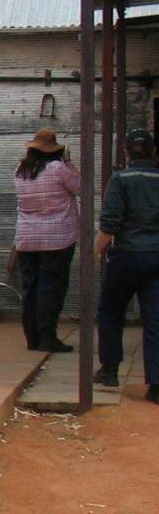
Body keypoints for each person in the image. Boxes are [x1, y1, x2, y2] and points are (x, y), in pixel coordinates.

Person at [96, 127, 159, 402]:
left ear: (126, 152)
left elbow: (110, 223)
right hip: (156, 256)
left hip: (127, 256)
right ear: (153, 152)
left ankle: (110, 370)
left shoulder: (120, 179)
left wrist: (94, 252)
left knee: (110, 311)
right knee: (155, 319)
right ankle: (156, 385)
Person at [11, 127, 80, 354]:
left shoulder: (20, 170)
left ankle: (32, 337)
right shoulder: (58, 168)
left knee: (30, 287)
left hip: (27, 237)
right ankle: (47, 337)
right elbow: (80, 186)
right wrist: (68, 161)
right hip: (57, 238)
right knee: (52, 288)